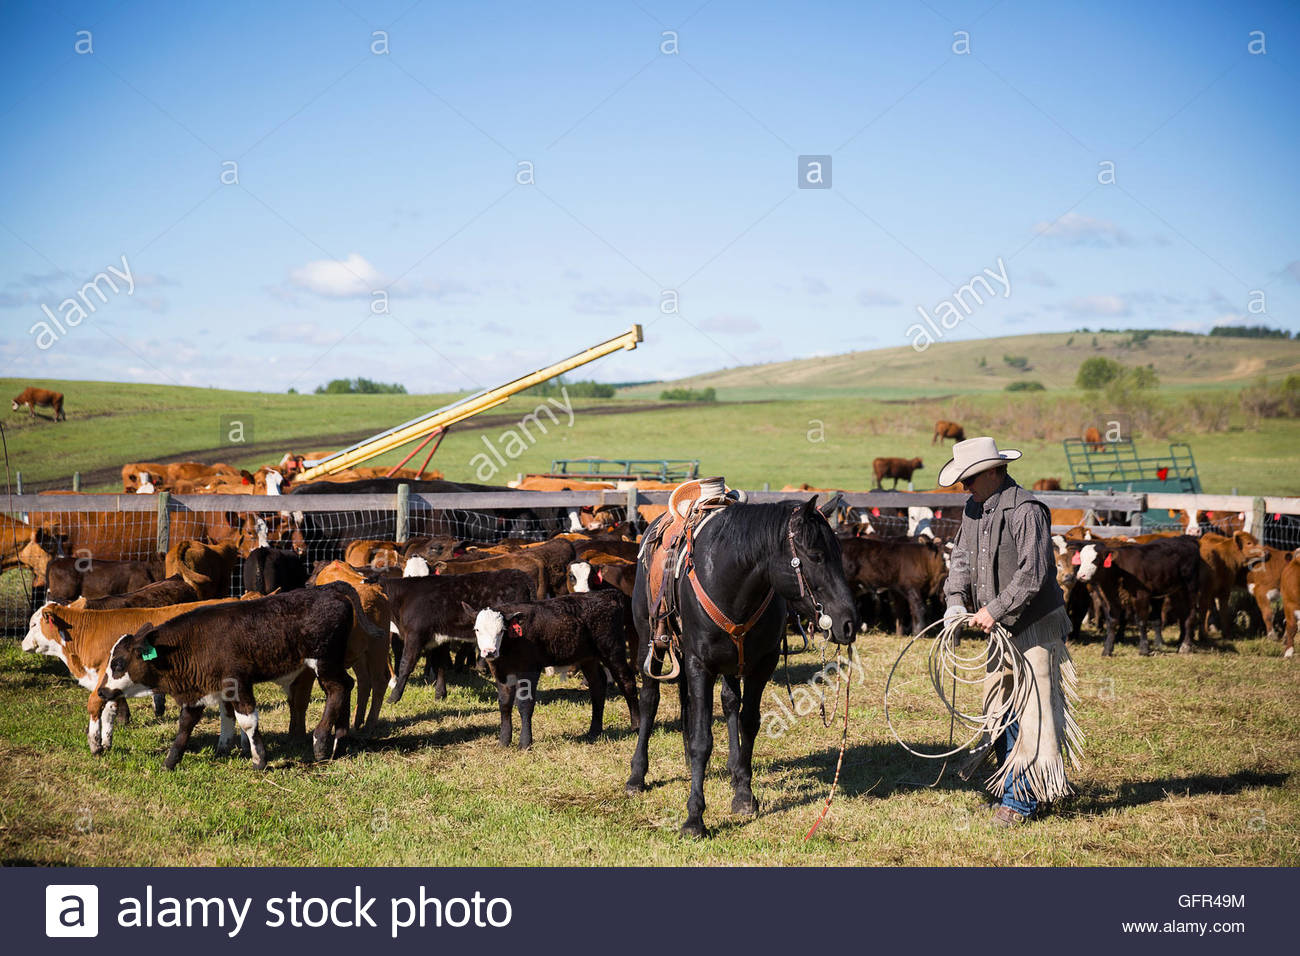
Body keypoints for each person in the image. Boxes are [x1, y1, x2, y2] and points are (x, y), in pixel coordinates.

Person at [939, 436, 1083, 827]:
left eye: (969, 478)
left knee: (1031, 711)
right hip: (1000, 626)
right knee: (998, 711)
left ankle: (1020, 802)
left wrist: (994, 609)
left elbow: (1034, 573)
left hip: (1034, 624)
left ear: (993, 472)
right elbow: (963, 561)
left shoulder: (1027, 510)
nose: (964, 487)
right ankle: (1012, 789)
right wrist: (955, 600)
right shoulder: (974, 508)